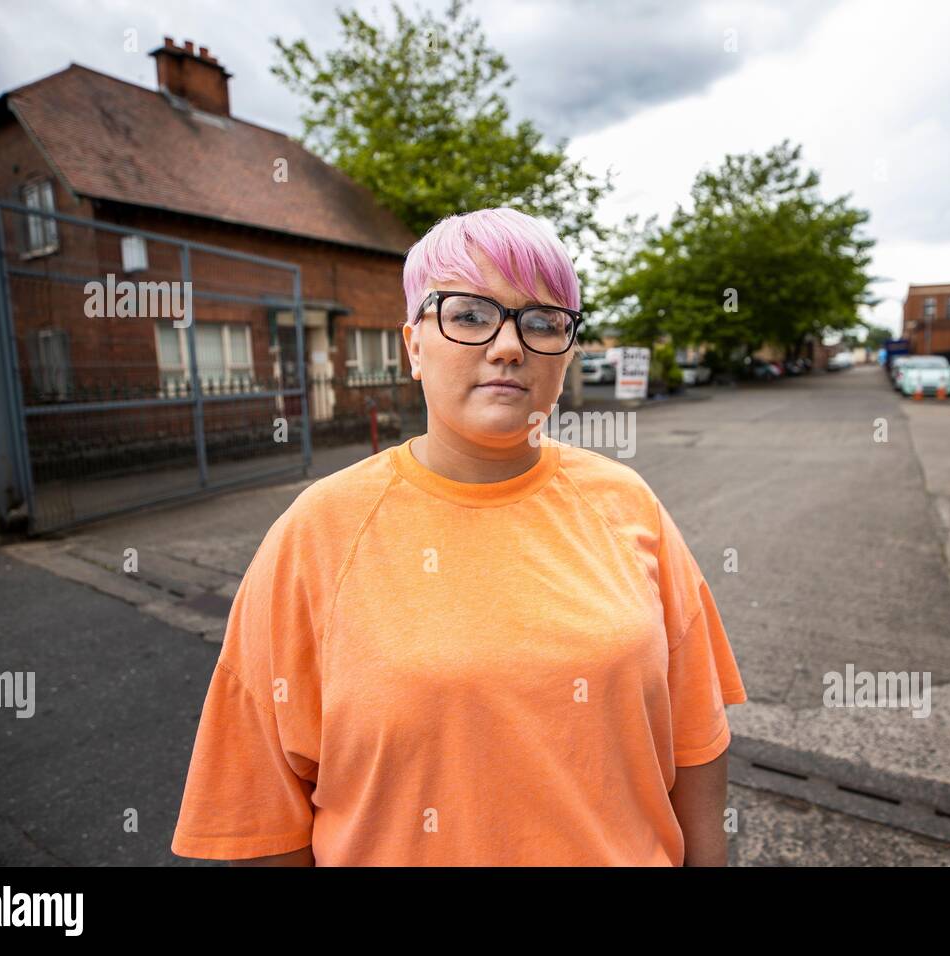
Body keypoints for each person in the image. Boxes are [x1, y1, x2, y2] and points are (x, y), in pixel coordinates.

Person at [170, 206, 747, 866]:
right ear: (414, 345)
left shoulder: (629, 506)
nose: (509, 346)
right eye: (470, 315)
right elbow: (258, 813)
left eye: (542, 322)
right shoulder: (318, 532)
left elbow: (696, 736)